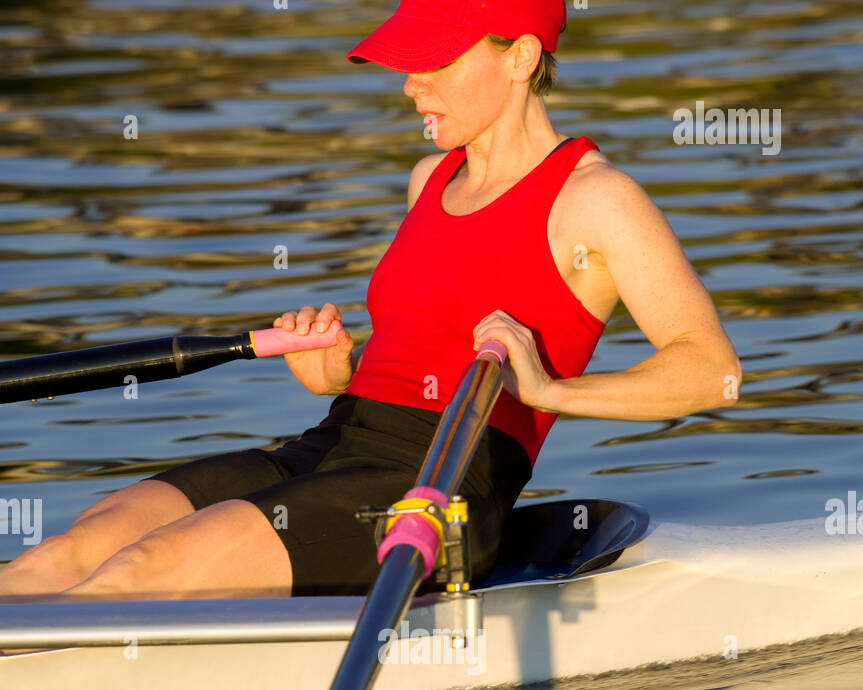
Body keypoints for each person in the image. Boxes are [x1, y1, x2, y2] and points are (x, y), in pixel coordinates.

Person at [0, 0, 740, 601]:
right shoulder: (428, 180)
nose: (411, 85)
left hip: (442, 485)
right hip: (335, 443)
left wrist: (549, 388)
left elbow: (710, 373)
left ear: (518, 57)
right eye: (408, 64)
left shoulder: (596, 199)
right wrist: (335, 376)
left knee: (137, 575)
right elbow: (421, 351)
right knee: (69, 554)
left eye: (436, 63)